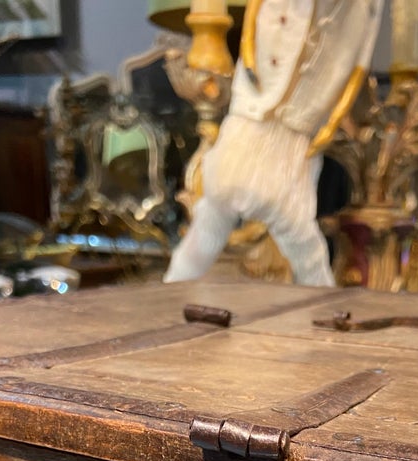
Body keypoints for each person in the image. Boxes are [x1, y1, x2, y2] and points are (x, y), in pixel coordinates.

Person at [164, 0, 384, 286]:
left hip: (299, 120)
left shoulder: (361, 7)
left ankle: (322, 298)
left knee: (295, 229)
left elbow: (359, 62)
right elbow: (256, 10)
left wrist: (332, 121)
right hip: (253, 105)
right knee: (216, 207)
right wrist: (249, 57)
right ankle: (173, 287)